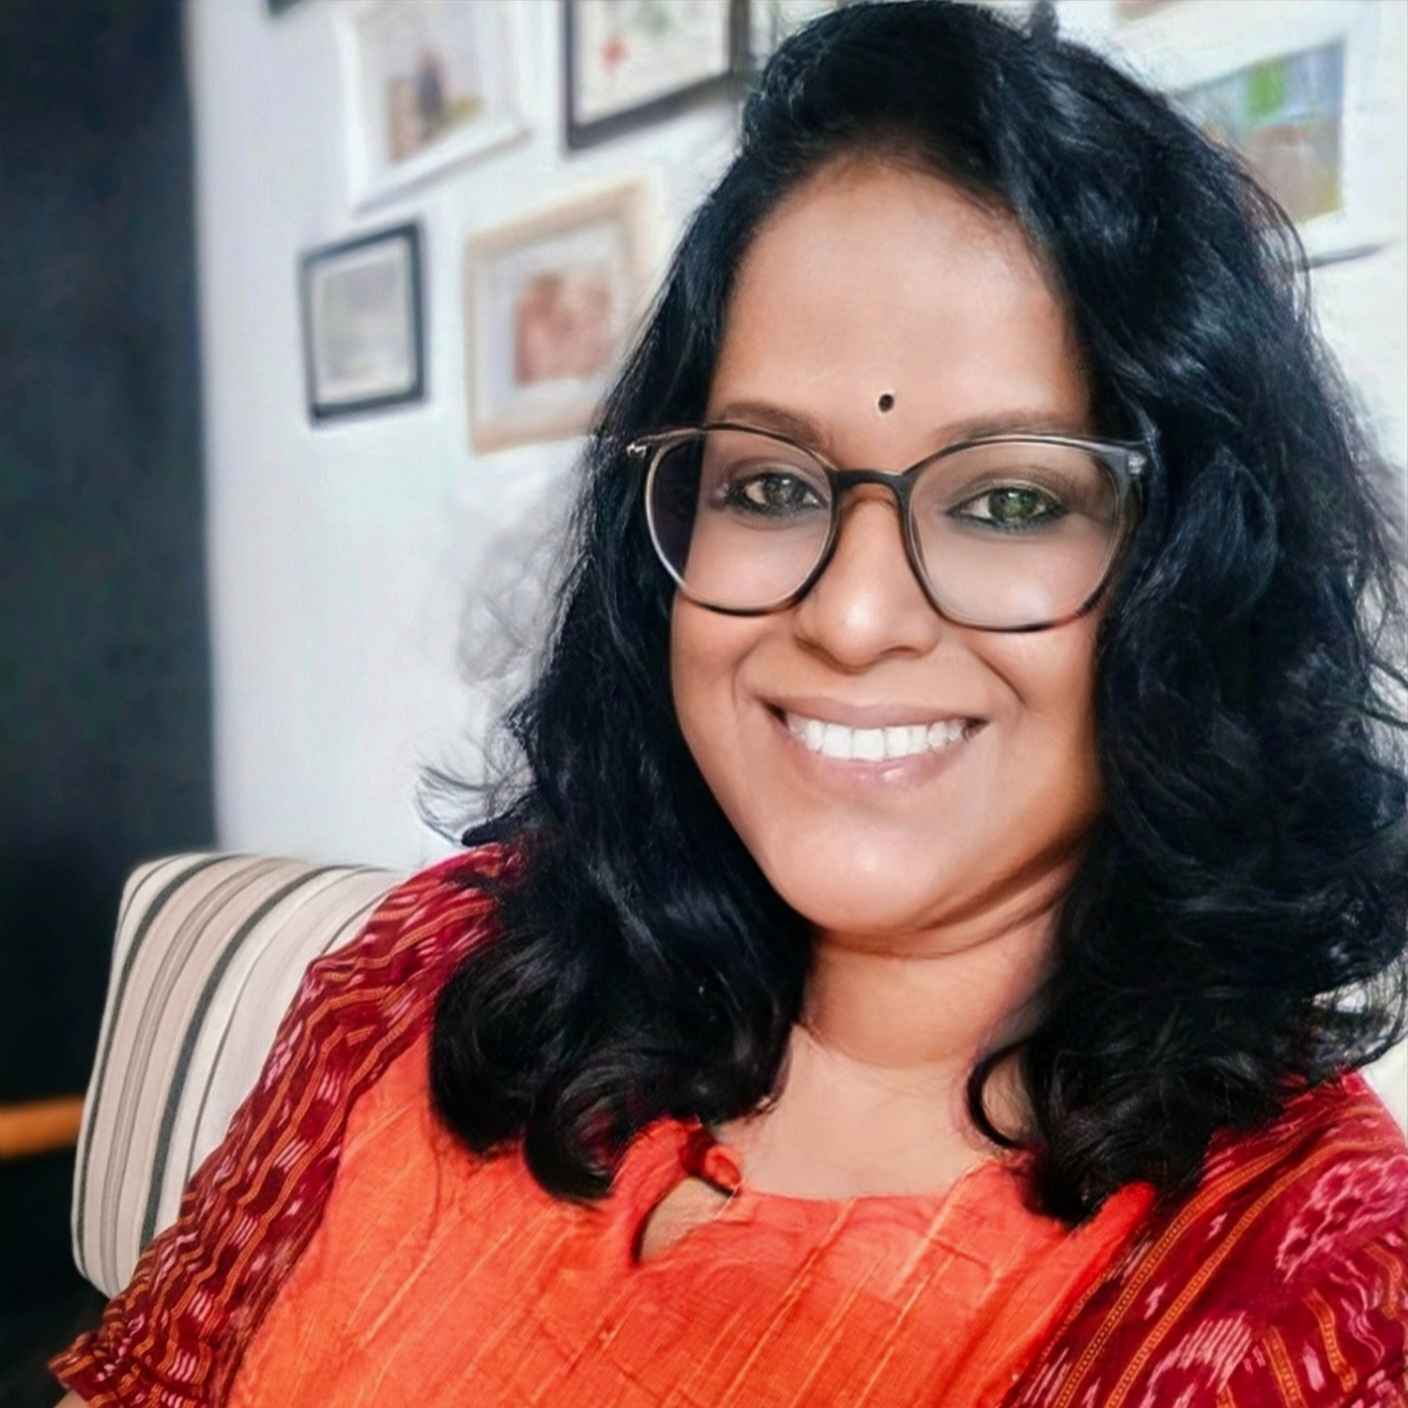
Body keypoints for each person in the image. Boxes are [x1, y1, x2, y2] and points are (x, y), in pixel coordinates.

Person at [51, 1, 1408, 1403]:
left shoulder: (1307, 1280)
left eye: (1010, 501)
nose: (853, 617)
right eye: (768, 484)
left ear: (1199, 570)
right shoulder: (441, 970)